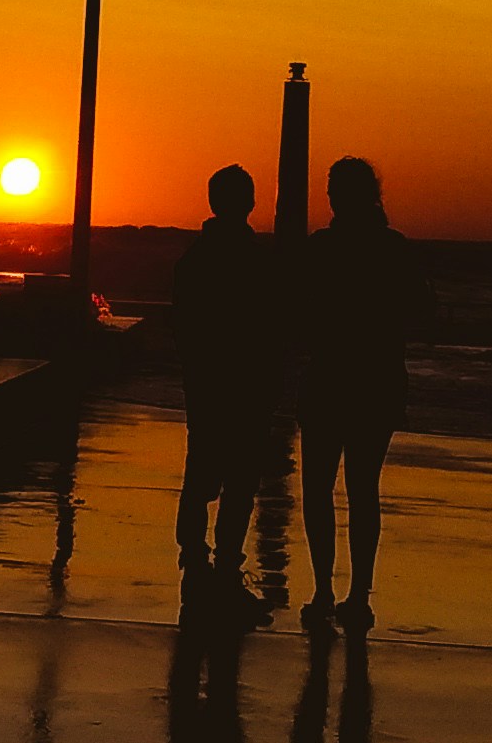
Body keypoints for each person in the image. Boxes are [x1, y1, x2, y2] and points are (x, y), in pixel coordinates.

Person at [294, 155, 420, 627]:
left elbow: (296, 310)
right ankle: (356, 595)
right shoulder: (392, 248)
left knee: (320, 490)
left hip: (332, 378)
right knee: (362, 491)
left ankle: (326, 589)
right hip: (376, 380)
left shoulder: (322, 249)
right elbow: (419, 309)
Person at [165, 162, 287, 599]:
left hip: (208, 383)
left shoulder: (194, 260)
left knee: (201, 472)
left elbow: (184, 327)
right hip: (246, 385)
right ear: (250, 204)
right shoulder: (260, 262)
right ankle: (223, 563)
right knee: (238, 480)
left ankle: (196, 557)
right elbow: (275, 328)